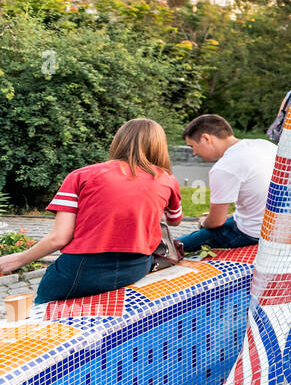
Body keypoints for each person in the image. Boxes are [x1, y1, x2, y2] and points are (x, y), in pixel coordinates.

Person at [0, 119, 183, 304]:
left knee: (41, 313)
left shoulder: (81, 176)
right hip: (136, 267)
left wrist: (18, 260)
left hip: (82, 269)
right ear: (160, 146)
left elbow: (59, 238)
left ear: (119, 141)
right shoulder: (167, 180)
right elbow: (175, 219)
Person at [178, 114, 277, 253]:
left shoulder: (224, 167)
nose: (194, 153)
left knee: (179, 244)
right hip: (277, 227)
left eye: (192, 146)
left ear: (206, 138)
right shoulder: (265, 145)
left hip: (252, 233)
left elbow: (216, 222)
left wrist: (203, 222)